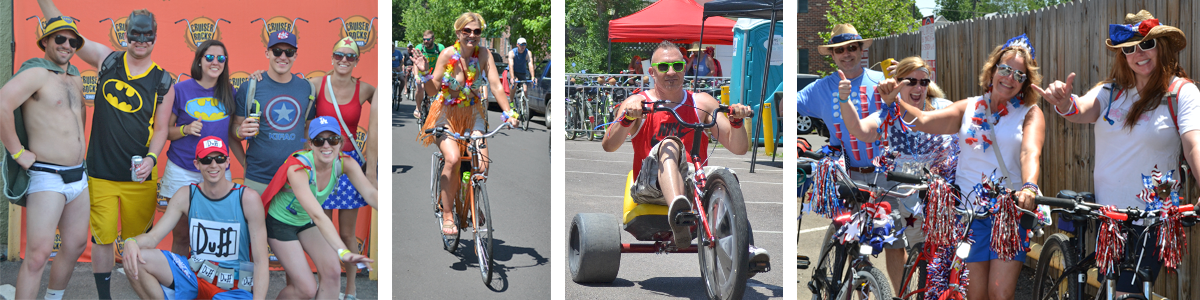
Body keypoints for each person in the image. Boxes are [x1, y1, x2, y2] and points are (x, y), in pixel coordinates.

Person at [1034, 10, 1197, 297]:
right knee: (1112, 289)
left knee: (1127, 293)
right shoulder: (1110, 92)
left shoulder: (1181, 93)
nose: (1138, 53)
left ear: (1162, 47)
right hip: (1109, 218)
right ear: (1122, 55)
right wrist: (1063, 102)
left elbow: (1194, 145)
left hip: (1153, 219)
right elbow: (1080, 110)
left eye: (1146, 44)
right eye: (1129, 48)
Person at [37, 2, 175, 298]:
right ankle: (104, 297)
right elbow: (67, 32)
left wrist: (152, 159)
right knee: (102, 240)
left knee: (138, 242)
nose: (141, 41)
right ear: (125, 35)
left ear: (154, 37)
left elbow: (162, 128)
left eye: (147, 35)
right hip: (100, 172)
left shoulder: (163, 80)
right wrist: (44, 3)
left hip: (140, 179)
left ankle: (145, 293)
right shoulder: (107, 60)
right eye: (135, 34)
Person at [896, 34, 1045, 300]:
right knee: (973, 295)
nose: (1010, 78)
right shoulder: (969, 106)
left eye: (1019, 75)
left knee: (999, 294)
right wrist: (895, 98)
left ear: (1025, 83)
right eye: (1006, 69)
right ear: (993, 70)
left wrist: (1030, 186)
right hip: (968, 216)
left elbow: (1030, 152)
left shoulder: (1030, 112)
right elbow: (923, 120)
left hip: (1007, 215)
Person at [601, 40, 770, 273]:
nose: (671, 72)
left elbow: (739, 148)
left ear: (685, 68)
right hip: (650, 186)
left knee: (725, 174)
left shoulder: (701, 103)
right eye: (663, 67)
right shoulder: (638, 103)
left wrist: (737, 121)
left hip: (695, 187)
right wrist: (628, 118)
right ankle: (678, 212)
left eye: (678, 66)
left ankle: (739, 246)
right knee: (669, 145)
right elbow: (609, 145)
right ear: (652, 72)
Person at [797, 23, 917, 288]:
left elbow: (917, 111)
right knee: (851, 242)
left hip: (886, 177)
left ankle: (894, 294)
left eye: (853, 47)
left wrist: (905, 81)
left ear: (862, 49)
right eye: (840, 49)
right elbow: (783, 104)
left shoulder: (883, 82)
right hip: (845, 176)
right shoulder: (821, 87)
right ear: (832, 54)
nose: (847, 53)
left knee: (894, 244)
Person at [837, 56, 958, 294]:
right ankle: (901, 294)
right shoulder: (889, 113)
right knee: (895, 246)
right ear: (897, 82)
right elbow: (859, 130)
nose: (918, 87)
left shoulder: (944, 107)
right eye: (910, 81)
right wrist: (844, 98)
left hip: (936, 195)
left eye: (924, 82)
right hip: (895, 190)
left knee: (939, 258)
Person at [1, 16, 90, 300]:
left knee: (75, 245)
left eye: (73, 41)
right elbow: (2, 104)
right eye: (60, 39)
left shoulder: (75, 76)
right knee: (38, 255)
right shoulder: (36, 73)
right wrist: (17, 151)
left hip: (79, 176)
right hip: (47, 176)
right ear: (45, 42)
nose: (67, 45)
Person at [120, 137, 269, 300]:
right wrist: (131, 242)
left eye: (219, 159)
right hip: (194, 276)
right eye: (206, 160)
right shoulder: (186, 195)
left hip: (233, 286)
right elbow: (153, 237)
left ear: (227, 162)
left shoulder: (248, 199)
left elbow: (261, 262)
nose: (213, 165)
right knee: (137, 259)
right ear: (197, 164)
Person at [416, 12, 519, 236]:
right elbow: (433, 90)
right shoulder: (447, 55)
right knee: (452, 159)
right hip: (445, 114)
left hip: (473, 113)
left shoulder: (484, 54)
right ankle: (447, 215)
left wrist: (509, 112)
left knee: (481, 166)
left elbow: (496, 86)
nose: (472, 35)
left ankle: (471, 201)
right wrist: (425, 72)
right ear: (458, 33)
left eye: (477, 31)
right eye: (467, 31)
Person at [259, 116, 375, 300]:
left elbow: (371, 194)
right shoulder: (299, 167)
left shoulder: (345, 162)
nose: (327, 145)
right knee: (306, 289)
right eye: (319, 140)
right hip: (280, 224)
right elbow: (318, 215)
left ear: (341, 142)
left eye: (333, 139)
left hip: (305, 221)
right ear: (311, 145)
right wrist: (343, 251)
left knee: (332, 273)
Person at [161, 40, 246, 256]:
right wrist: (186, 129)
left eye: (221, 58)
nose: (215, 62)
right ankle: (180, 281)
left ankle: (209, 283)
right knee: (181, 234)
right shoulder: (180, 90)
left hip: (216, 170)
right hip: (182, 170)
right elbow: (164, 131)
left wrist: (246, 164)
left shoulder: (230, 91)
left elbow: (231, 133)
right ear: (199, 60)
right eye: (209, 57)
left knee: (215, 232)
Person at [309, 36, 377, 299]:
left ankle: (351, 288)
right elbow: (286, 88)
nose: (344, 60)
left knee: (347, 233)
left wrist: (372, 159)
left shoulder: (365, 90)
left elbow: (379, 120)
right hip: (321, 164)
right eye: (339, 55)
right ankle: (326, 285)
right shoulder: (315, 84)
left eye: (350, 56)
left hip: (349, 166)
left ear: (357, 61)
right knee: (323, 229)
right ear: (331, 58)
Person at [230, 30, 315, 195]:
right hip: (257, 178)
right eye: (277, 51)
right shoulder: (249, 88)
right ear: (267, 53)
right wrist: (239, 133)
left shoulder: (307, 88)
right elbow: (233, 128)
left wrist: (304, 146)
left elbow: (307, 128)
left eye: (289, 52)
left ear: (295, 56)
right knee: (255, 221)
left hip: (296, 177)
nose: (283, 56)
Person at [412, 30, 446, 120]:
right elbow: (415, 64)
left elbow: (446, 62)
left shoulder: (440, 48)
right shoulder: (420, 47)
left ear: (433, 39)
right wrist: (416, 76)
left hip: (435, 75)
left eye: (428, 39)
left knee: (445, 89)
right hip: (422, 74)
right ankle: (418, 108)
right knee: (420, 87)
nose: (426, 41)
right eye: (424, 39)